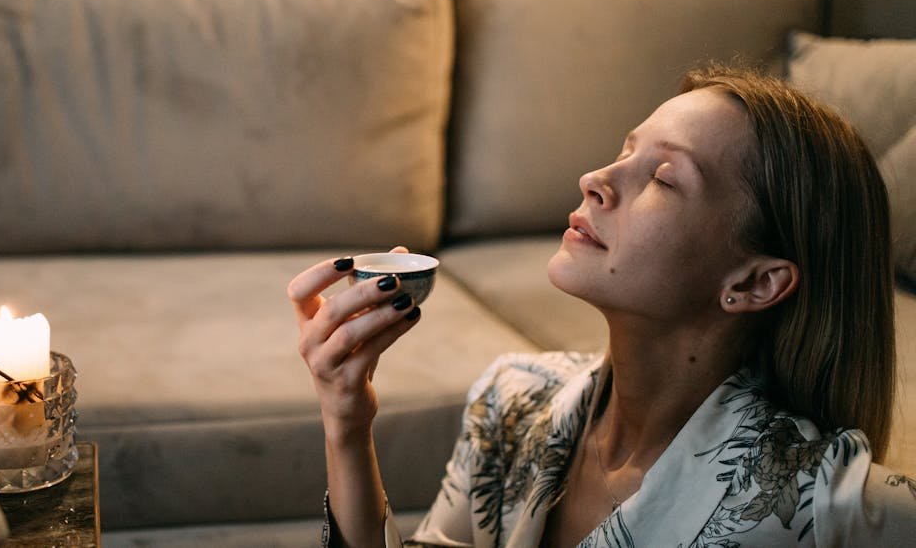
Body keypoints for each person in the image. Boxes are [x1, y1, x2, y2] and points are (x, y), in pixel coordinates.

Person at [287, 65, 916, 547]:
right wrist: (346, 422)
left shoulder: (817, 499)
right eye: (624, 152)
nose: (596, 178)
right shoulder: (511, 400)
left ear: (755, 283)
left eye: (665, 179)